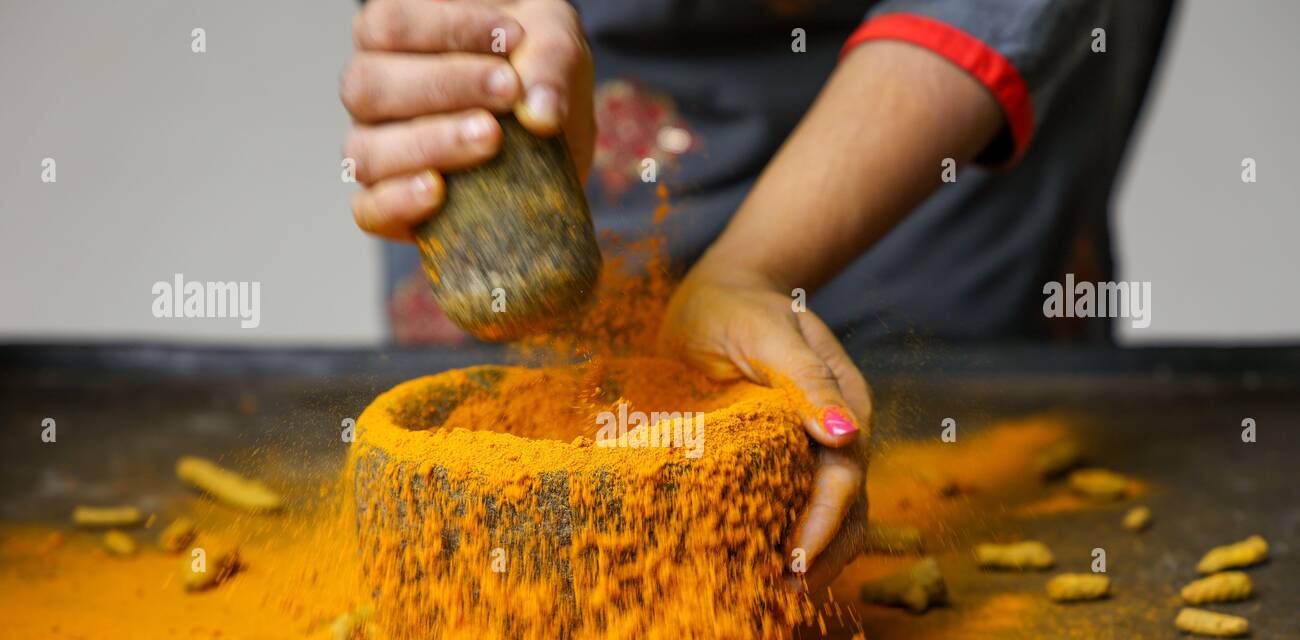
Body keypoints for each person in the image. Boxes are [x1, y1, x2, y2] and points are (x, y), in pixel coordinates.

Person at [339, 0, 1175, 588]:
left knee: (918, 469)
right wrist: (495, 27)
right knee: (507, 470)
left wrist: (753, 267)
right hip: (602, 76)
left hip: (918, 121)